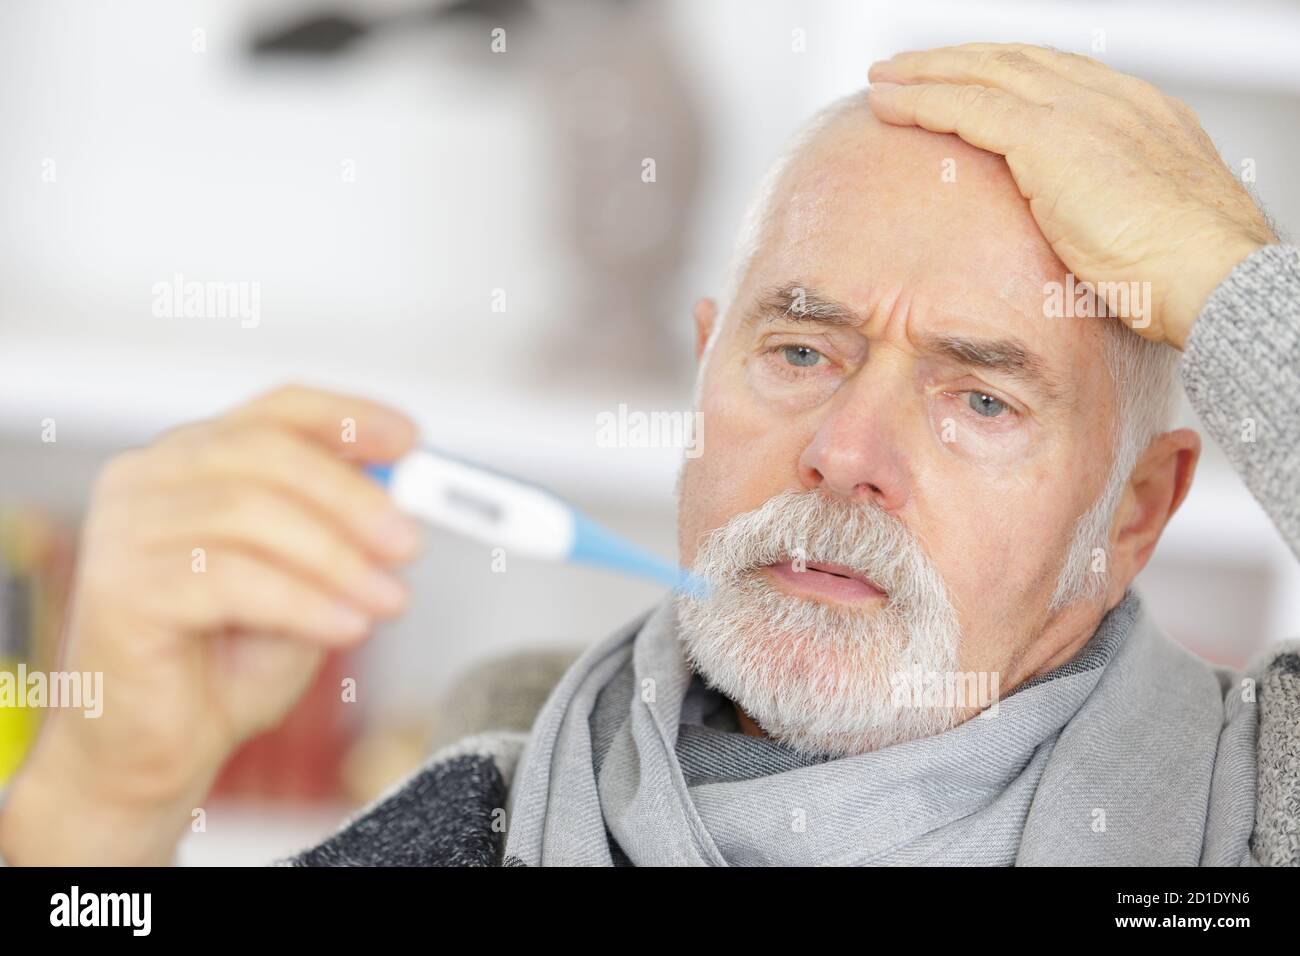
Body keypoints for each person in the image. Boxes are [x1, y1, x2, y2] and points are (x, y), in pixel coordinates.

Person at [2, 44, 1297, 866]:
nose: (846, 454)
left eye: (982, 402)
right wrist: (100, 805)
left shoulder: (1253, 809)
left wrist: (1236, 287)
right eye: (799, 354)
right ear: (702, 370)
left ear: (1135, 513)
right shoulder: (476, 816)